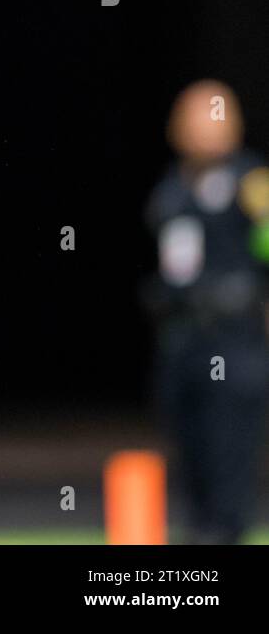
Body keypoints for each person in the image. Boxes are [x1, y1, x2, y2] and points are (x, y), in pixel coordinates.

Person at [145, 80, 269, 544]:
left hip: (235, 340)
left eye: (211, 114)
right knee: (190, 453)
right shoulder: (172, 188)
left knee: (230, 453)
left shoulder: (252, 182)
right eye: (191, 116)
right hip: (183, 341)